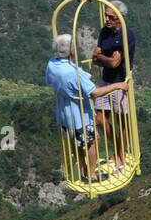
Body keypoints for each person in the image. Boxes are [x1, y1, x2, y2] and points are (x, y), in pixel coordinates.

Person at [46, 34, 126, 183]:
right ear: (71, 51)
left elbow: (52, 81)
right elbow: (95, 93)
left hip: (63, 114)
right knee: (93, 141)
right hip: (80, 116)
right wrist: (118, 85)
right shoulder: (74, 72)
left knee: (75, 143)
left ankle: (83, 170)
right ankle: (92, 175)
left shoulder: (51, 64)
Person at [91, 2, 136, 172]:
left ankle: (120, 156)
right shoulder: (104, 32)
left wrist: (101, 57)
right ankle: (118, 150)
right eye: (106, 15)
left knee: (121, 121)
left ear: (120, 17)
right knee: (100, 119)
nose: (107, 19)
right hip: (106, 80)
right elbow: (97, 59)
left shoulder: (127, 35)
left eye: (111, 16)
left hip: (121, 82)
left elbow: (115, 63)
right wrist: (104, 59)